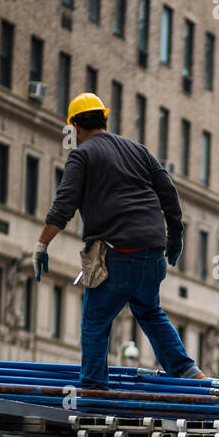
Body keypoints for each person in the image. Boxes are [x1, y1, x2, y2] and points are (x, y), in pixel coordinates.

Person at [32, 92, 205, 390]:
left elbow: (63, 206)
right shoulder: (138, 150)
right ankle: (187, 370)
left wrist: (42, 245)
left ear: (74, 126)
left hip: (116, 254)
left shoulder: (81, 155)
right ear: (104, 120)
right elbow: (169, 193)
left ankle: (94, 386)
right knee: (149, 310)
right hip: (152, 251)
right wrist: (175, 236)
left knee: (96, 321)